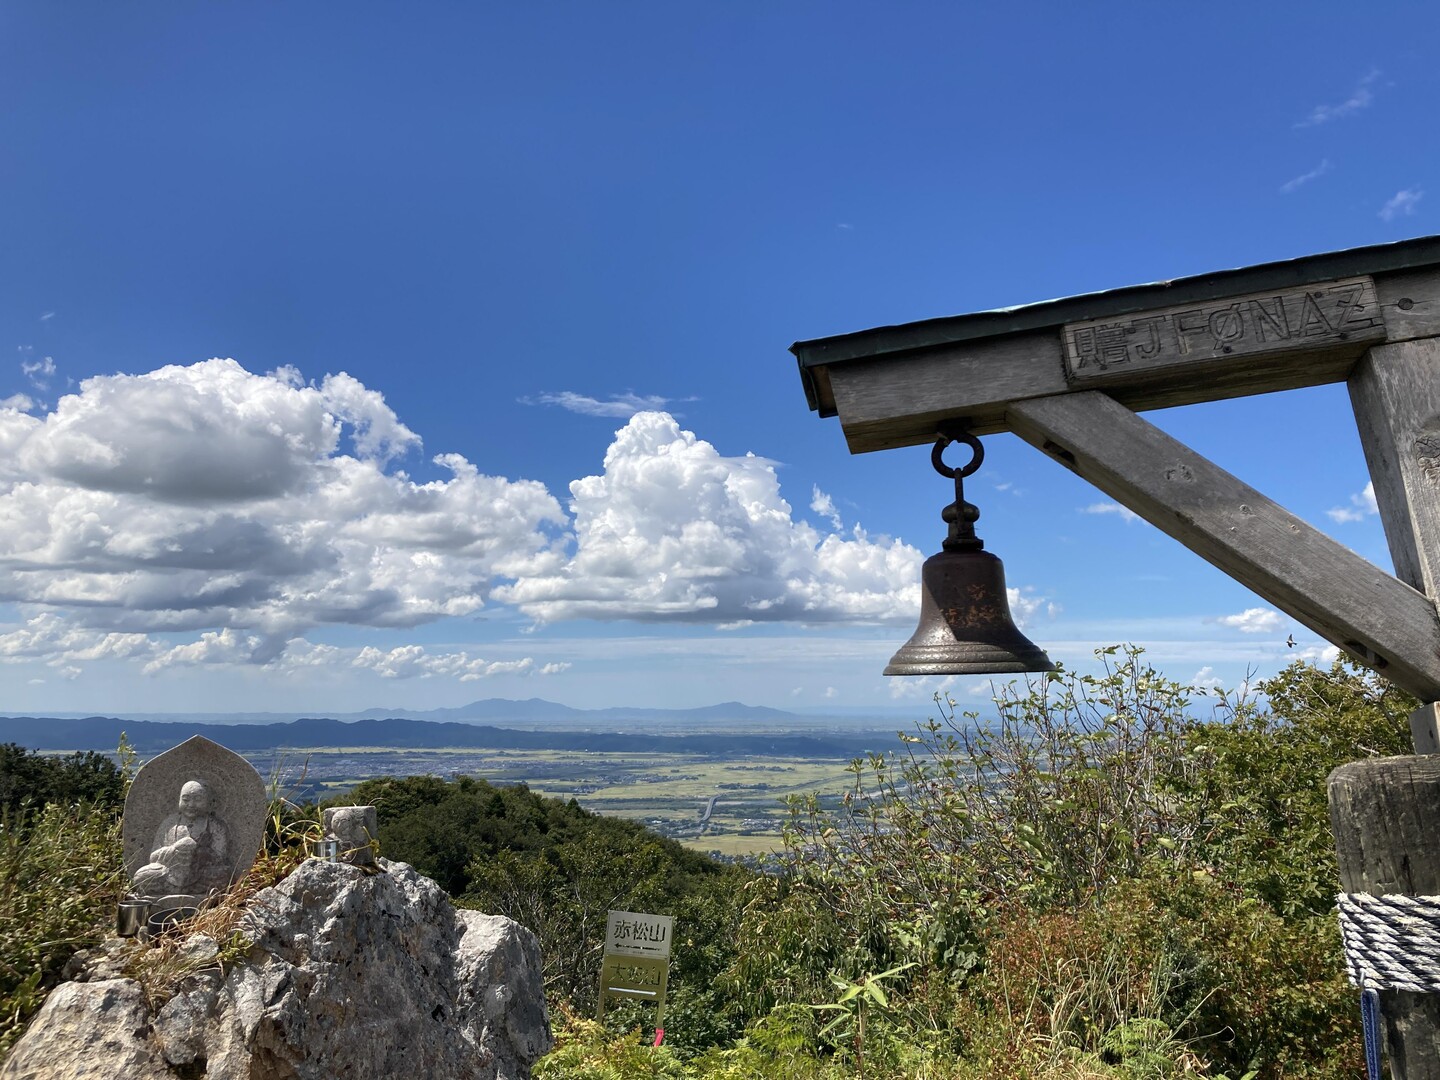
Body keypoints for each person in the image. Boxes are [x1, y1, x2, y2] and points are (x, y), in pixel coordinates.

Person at [131, 780, 232, 899]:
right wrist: (174, 850)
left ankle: (176, 893)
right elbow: (153, 857)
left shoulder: (215, 825)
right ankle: (182, 892)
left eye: (198, 799)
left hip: (201, 873)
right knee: (140, 876)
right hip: (169, 873)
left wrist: (197, 851)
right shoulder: (169, 823)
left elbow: (220, 857)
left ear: (209, 802)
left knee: (224, 874)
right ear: (179, 800)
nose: (191, 804)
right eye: (186, 799)